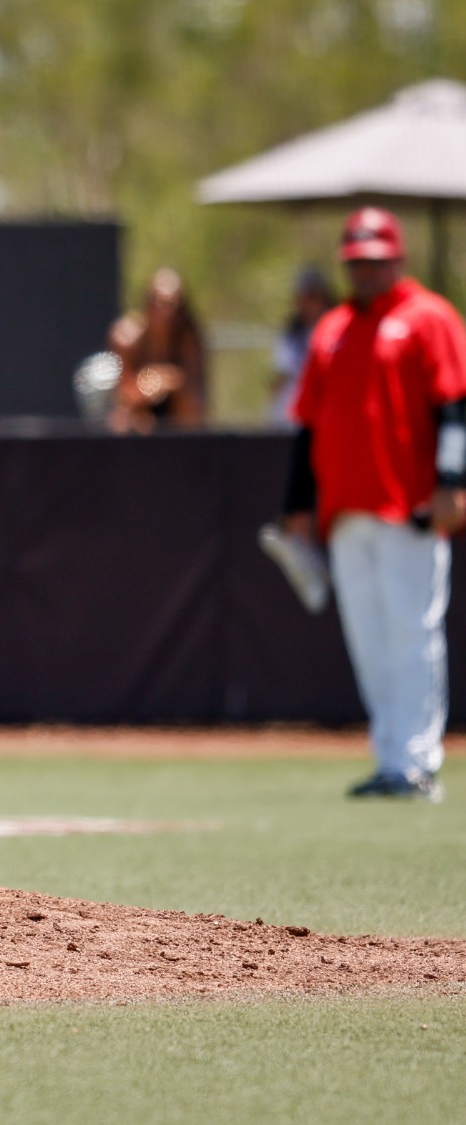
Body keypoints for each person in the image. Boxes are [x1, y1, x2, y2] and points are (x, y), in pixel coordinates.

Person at [281, 207, 466, 801]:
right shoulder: (332, 327)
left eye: (374, 260)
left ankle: (417, 763)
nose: (364, 270)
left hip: (408, 506)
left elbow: (456, 404)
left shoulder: (428, 316)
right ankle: (390, 757)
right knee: (369, 638)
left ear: (397, 258)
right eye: (355, 261)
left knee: (412, 633)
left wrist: (451, 481)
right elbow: (308, 423)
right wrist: (298, 505)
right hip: (344, 511)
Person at [107, 268, 206, 434]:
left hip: (176, 414)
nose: (165, 312)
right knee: (122, 420)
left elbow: (195, 400)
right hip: (137, 410)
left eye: (172, 305)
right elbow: (123, 393)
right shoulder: (126, 337)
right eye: (159, 303)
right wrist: (154, 381)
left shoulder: (188, 340)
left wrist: (173, 383)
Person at [268, 266, 334, 427]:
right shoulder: (292, 333)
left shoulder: (337, 329)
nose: (307, 304)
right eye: (302, 298)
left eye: (312, 297)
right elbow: (281, 375)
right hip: (293, 414)